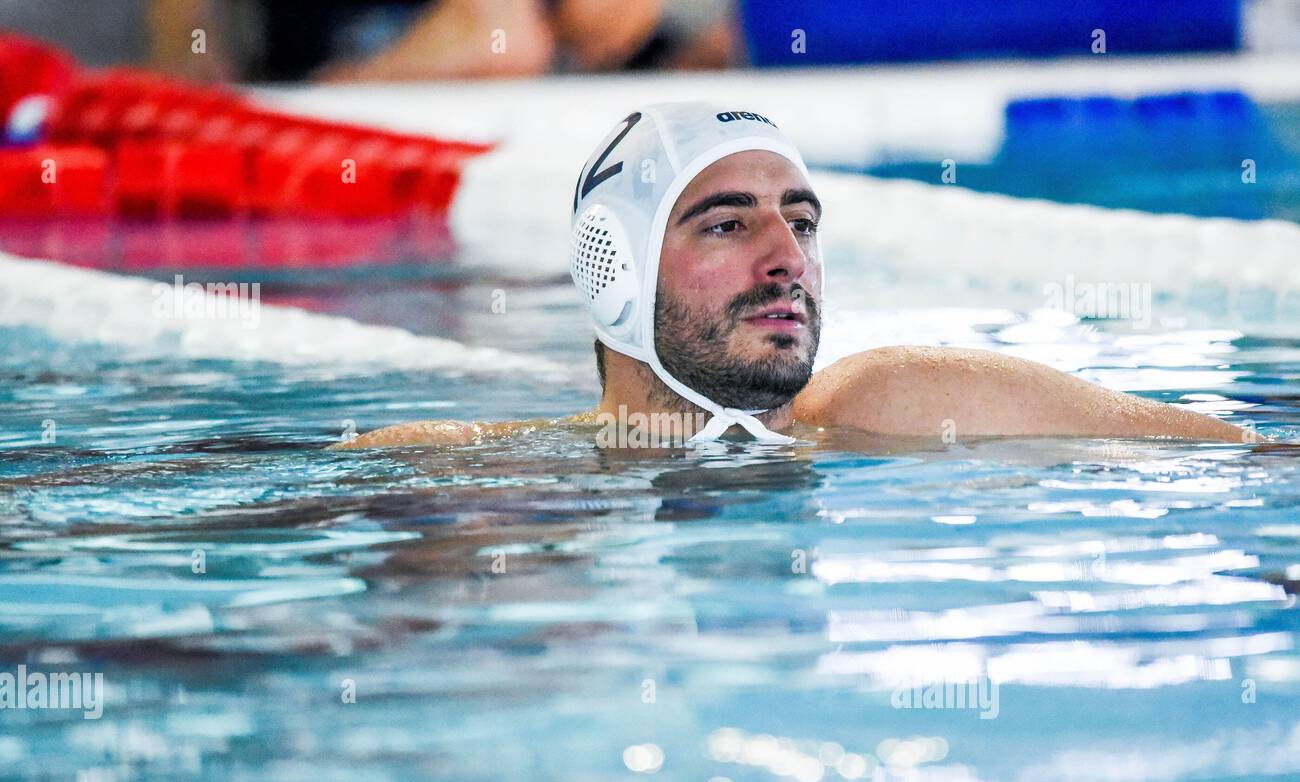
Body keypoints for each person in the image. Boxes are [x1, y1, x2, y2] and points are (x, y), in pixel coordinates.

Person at [335, 101, 1259, 450]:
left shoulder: (903, 399)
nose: (789, 260)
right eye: (728, 222)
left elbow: (1243, 459)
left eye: (803, 221)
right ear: (612, 269)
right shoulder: (478, 467)